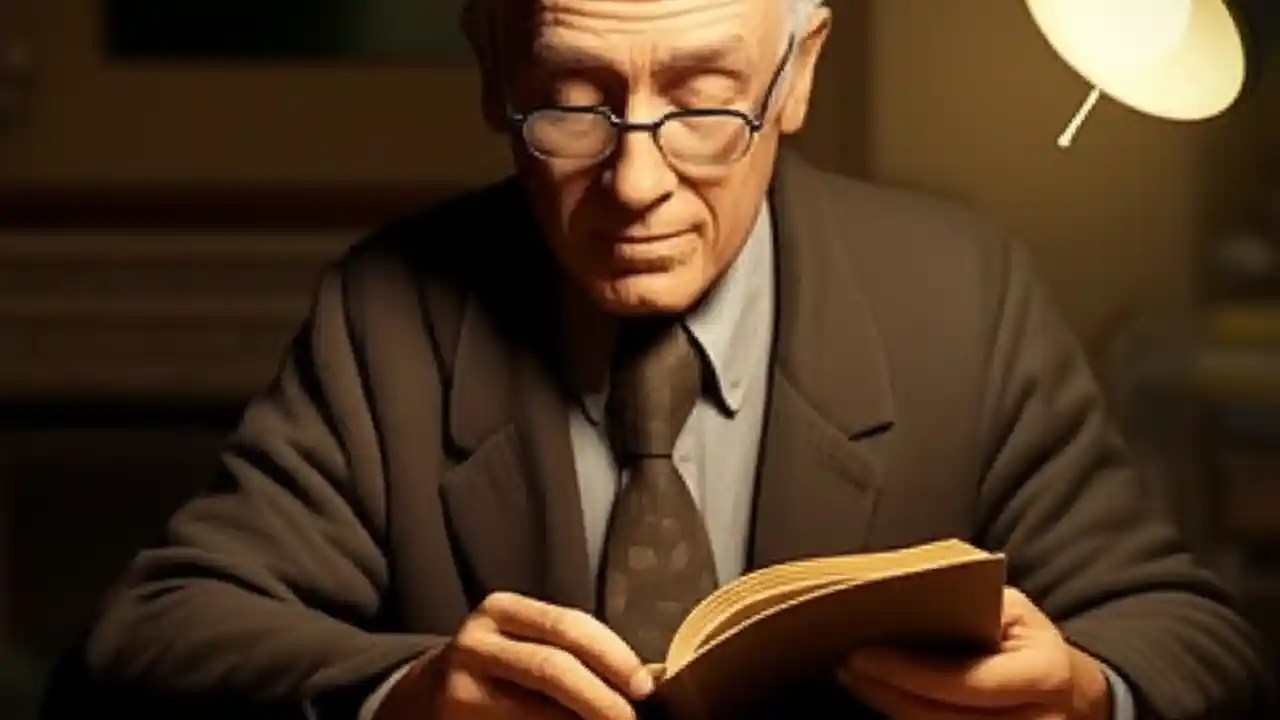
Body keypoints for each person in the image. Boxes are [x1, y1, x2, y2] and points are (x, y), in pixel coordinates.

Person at [42, 1, 1271, 719]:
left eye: (704, 105)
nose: (635, 183)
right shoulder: (389, 309)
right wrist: (406, 696)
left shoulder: (962, 292)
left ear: (798, 77)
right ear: (490, 72)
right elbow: (146, 638)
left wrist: (1075, 694)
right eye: (570, 102)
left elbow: (1192, 637)